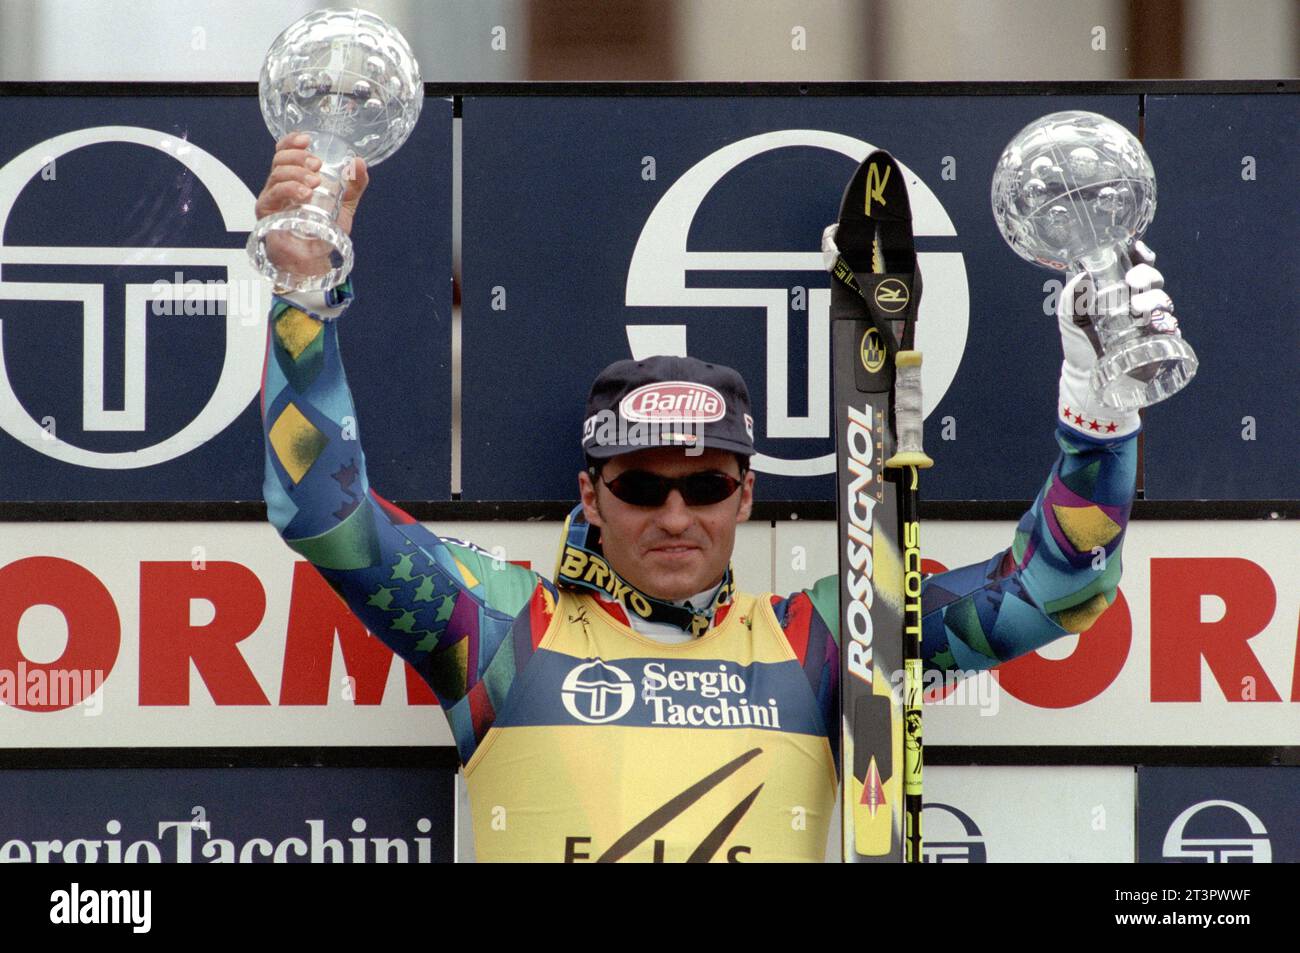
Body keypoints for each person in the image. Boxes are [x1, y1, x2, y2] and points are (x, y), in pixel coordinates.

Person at [256, 133, 1176, 862]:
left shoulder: (830, 642)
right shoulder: (501, 628)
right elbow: (324, 511)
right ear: (591, 490)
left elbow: (1059, 592)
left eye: (705, 484)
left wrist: (1099, 411)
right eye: (640, 485)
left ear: (746, 495)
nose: (674, 514)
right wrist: (302, 292)